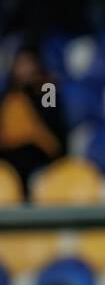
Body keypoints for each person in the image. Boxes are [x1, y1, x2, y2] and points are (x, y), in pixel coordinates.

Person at [0, 47, 66, 198]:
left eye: (28, 63)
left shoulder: (46, 90)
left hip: (39, 151)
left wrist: (34, 90)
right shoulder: (10, 95)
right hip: (10, 153)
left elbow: (51, 120)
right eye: (20, 64)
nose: (24, 69)